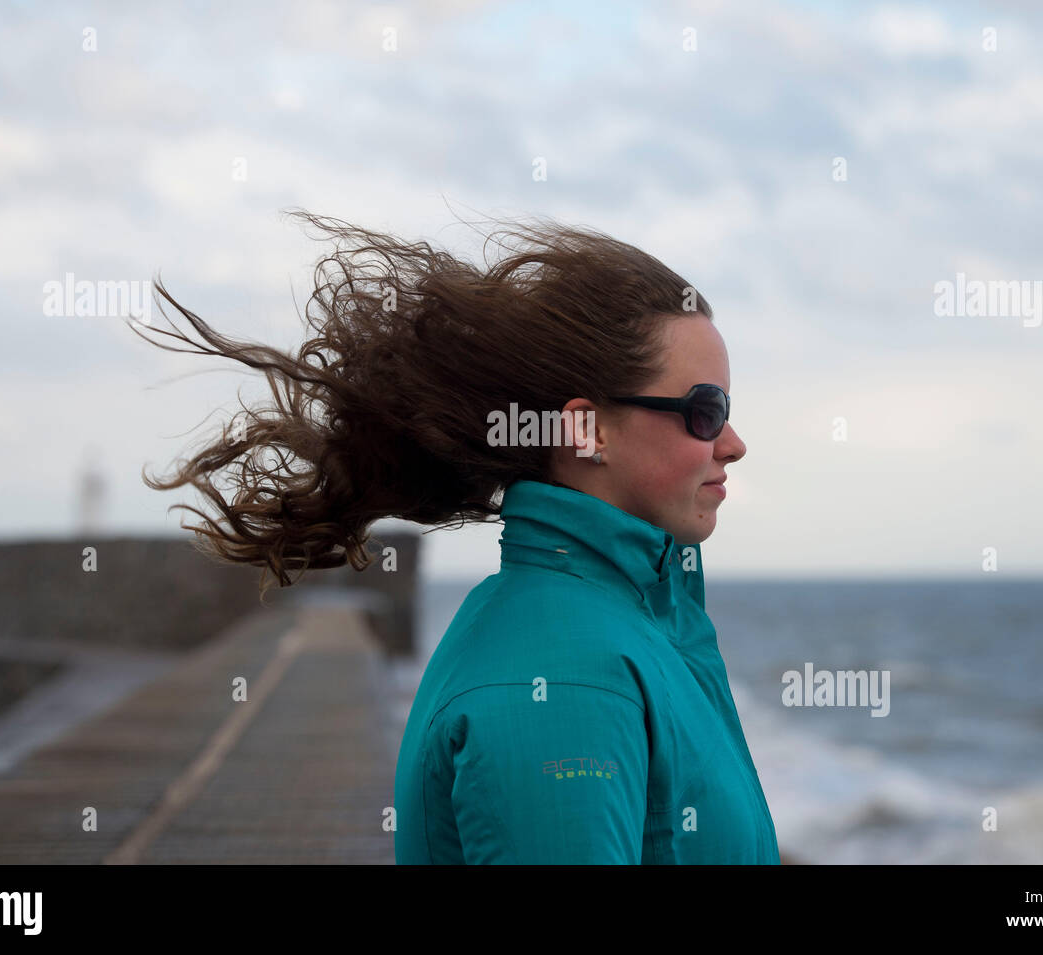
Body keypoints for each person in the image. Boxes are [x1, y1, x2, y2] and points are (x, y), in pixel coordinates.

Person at [135, 210, 780, 864]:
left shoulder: (618, 630)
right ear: (587, 432)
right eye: (706, 412)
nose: (733, 443)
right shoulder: (566, 678)